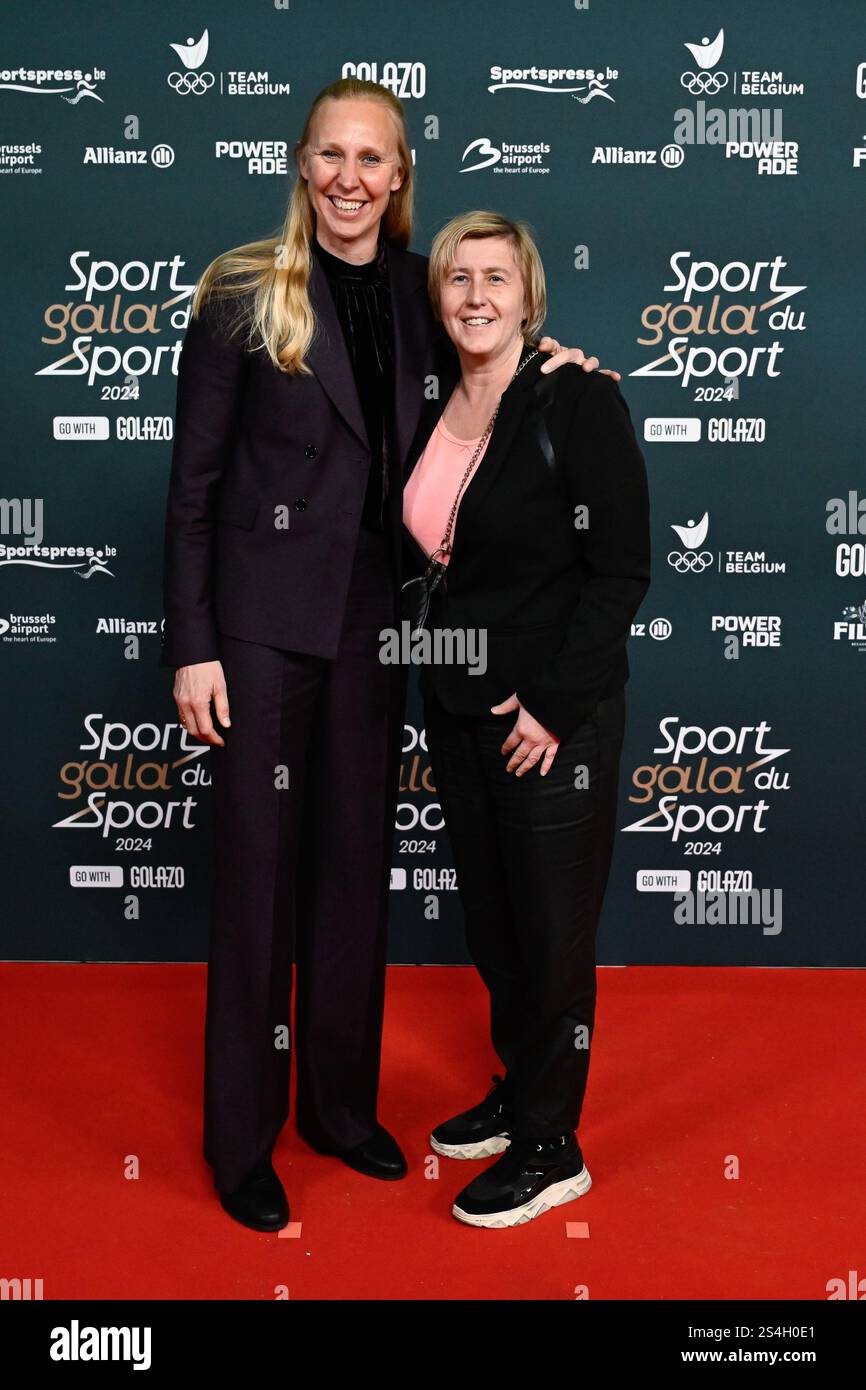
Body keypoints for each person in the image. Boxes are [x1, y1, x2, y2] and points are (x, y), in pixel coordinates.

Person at [161, 76, 614, 1234]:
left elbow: (491, 366)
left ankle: (339, 1111)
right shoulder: (240, 295)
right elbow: (194, 491)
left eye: (373, 158)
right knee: (258, 888)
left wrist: (564, 369)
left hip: (377, 634)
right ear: (301, 165)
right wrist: (195, 649)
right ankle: (241, 1139)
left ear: (399, 174)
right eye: (330, 155)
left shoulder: (423, 299)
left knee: (352, 878)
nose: (350, 178)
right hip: (262, 633)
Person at [402, 211, 651, 1228]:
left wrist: (550, 703)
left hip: (553, 718)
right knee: (496, 925)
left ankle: (552, 1147)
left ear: (527, 293)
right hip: (454, 703)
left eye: (494, 277)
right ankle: (520, 1093)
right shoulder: (427, 399)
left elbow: (621, 569)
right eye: (457, 276)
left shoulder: (575, 397)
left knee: (550, 937)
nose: (473, 295)